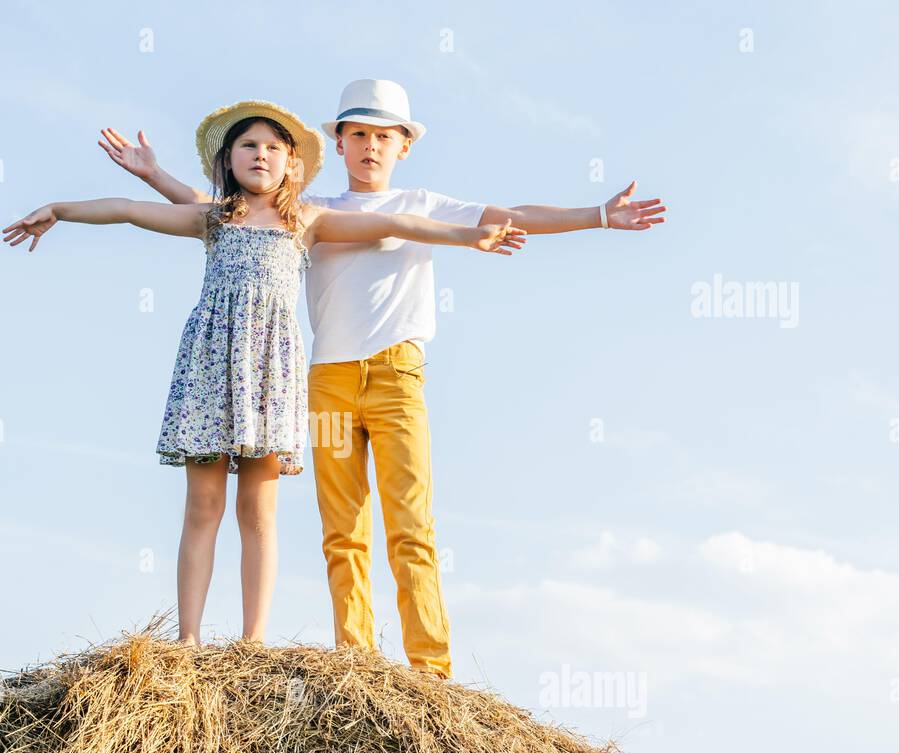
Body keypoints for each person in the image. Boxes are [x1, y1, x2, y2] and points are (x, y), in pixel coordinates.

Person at [98, 79, 667, 680]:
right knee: (342, 531)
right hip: (328, 382)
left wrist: (600, 216)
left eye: (385, 136)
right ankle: (358, 663)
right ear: (337, 143)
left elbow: (514, 215)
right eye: (359, 134)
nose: (372, 146)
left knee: (411, 524)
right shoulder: (307, 210)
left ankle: (429, 672)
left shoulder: (421, 204)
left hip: (397, 376)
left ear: (404, 146)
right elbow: (221, 214)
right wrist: (150, 176)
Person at [4, 100, 524, 649]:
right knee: (203, 503)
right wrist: (59, 208)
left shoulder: (308, 221)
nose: (261, 155)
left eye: (274, 148)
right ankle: (188, 640)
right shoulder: (213, 218)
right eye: (249, 146)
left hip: (272, 376)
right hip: (211, 369)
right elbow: (130, 209)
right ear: (228, 160)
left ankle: (253, 640)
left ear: (291, 164)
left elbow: (395, 221)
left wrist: (468, 236)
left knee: (259, 509)